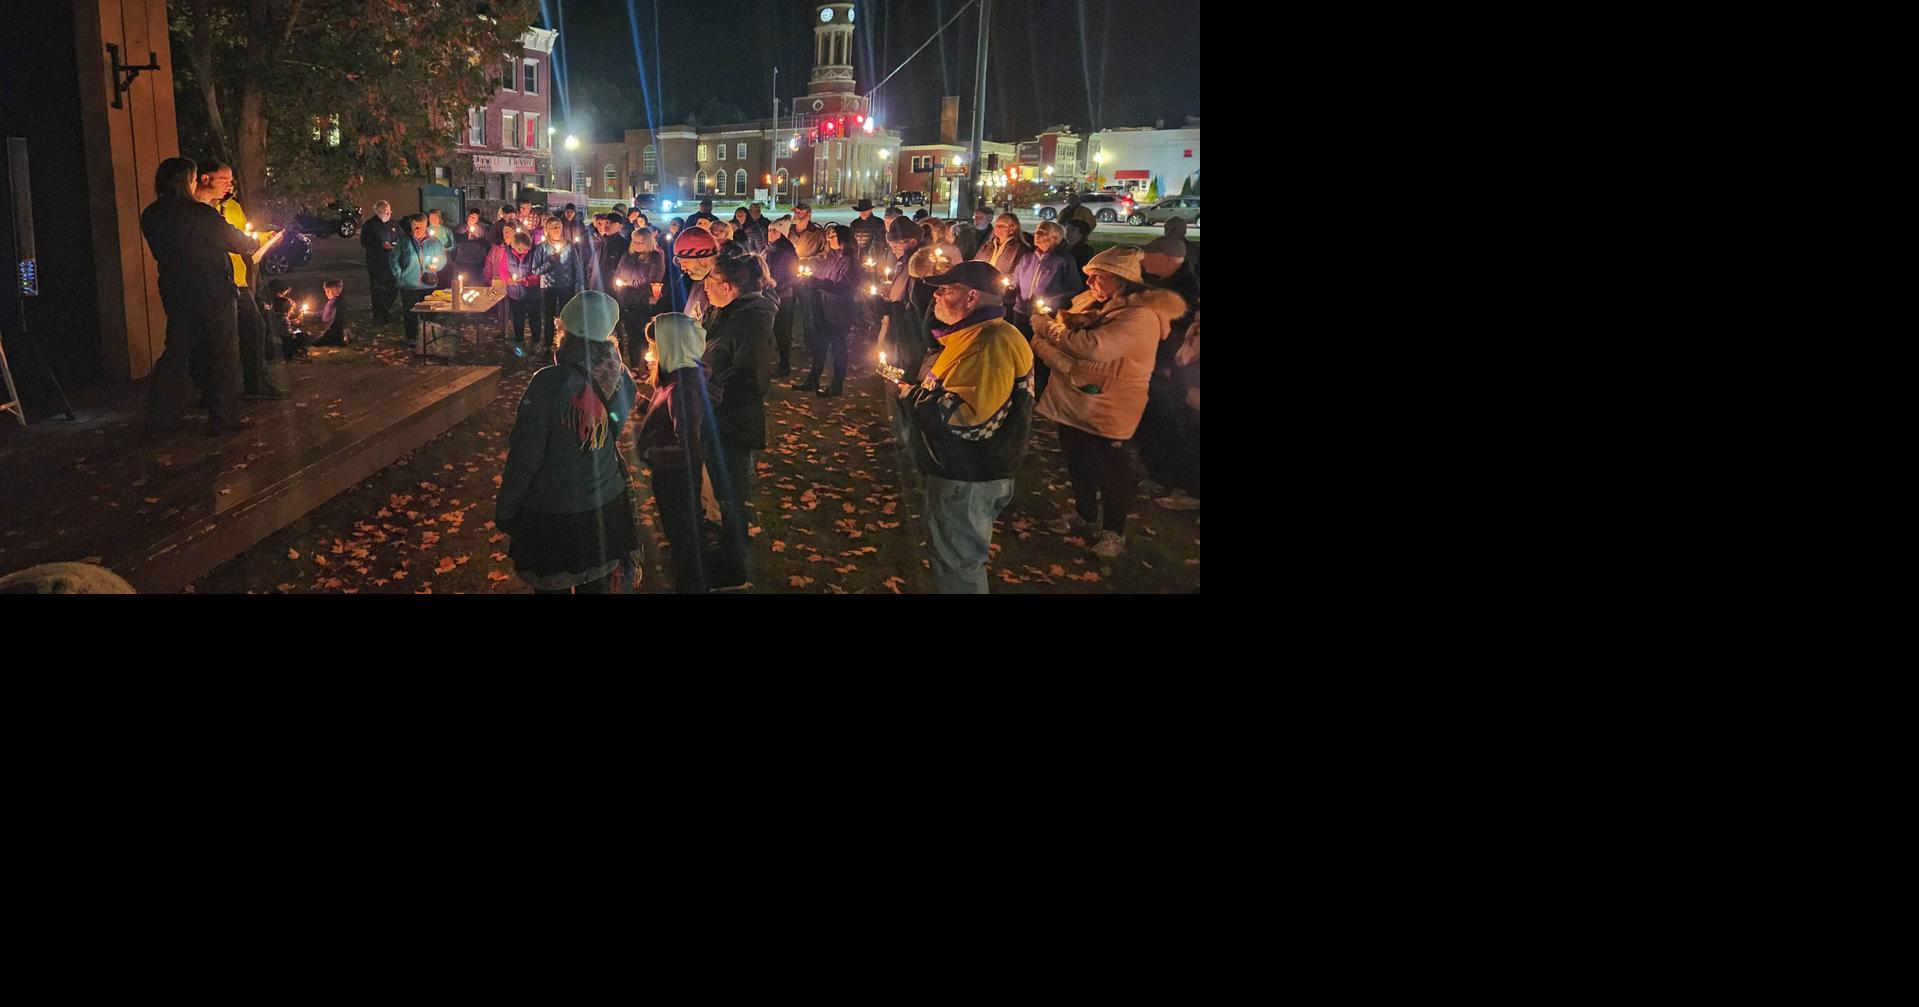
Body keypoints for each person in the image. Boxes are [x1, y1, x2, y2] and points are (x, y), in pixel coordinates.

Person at [1029, 246, 1188, 558]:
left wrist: (1045, 330)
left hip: (1110, 407)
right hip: (1077, 402)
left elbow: (1094, 347)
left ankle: (1113, 530)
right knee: (1077, 462)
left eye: (1097, 277)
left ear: (1121, 281)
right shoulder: (1100, 307)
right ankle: (1085, 515)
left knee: (1112, 469)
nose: (1089, 284)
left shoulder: (1138, 316)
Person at [889, 260, 1035, 593]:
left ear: (971, 298)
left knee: (959, 562)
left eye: (946, 289)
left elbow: (970, 421)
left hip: (970, 475)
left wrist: (913, 396)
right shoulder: (971, 336)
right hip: (963, 470)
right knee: (954, 557)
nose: (936, 296)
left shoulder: (990, 343)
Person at [496, 290, 642, 594]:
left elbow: (525, 456)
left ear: (566, 331)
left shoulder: (549, 384)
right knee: (598, 585)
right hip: (605, 507)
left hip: (554, 515)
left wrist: (507, 509)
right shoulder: (620, 377)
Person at [139, 156, 275, 438]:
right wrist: (255, 242)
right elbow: (239, 242)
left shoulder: (152, 215)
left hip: (176, 291)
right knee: (223, 353)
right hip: (213, 291)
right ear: (187, 180)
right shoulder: (201, 214)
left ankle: (160, 418)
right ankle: (224, 417)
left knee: (175, 352)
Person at [698, 251, 777, 589]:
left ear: (728, 287)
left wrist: (711, 389)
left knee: (732, 495)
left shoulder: (749, 321)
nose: (704, 287)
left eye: (710, 282)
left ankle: (733, 570)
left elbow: (752, 379)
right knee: (723, 490)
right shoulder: (728, 313)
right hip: (719, 418)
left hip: (733, 422)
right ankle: (726, 554)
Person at [633, 312, 714, 593]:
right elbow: (665, 419)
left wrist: (654, 452)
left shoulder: (683, 387)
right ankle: (688, 566)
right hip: (670, 473)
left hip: (676, 475)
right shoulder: (673, 378)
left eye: (654, 345)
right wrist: (639, 402)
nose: (650, 351)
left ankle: (692, 579)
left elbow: (688, 444)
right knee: (679, 527)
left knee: (684, 529)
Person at [198, 160, 287, 401]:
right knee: (215, 339)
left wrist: (262, 238)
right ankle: (212, 394)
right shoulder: (201, 210)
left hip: (238, 279)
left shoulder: (233, 207)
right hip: (213, 282)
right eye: (224, 180)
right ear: (204, 178)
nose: (229, 185)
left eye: (231, 181)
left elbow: (241, 235)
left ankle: (255, 383)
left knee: (255, 327)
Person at [1133, 234, 1202, 511]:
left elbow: (1179, 333)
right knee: (1156, 423)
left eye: (1149, 255)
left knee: (1176, 427)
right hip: (1160, 363)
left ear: (1166, 259)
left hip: (1173, 368)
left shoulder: (1183, 289)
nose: (1143, 259)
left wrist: (1169, 365)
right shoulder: (1159, 282)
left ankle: (1184, 484)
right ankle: (1159, 473)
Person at [1010, 220, 1085, 398]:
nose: (1037, 234)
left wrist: (1051, 302)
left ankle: (1037, 388)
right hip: (1021, 311)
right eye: (1037, 231)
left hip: (1045, 315)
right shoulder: (1028, 257)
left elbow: (1074, 288)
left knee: (1040, 352)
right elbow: (1016, 278)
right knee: (1019, 348)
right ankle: (1016, 384)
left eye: (1042, 232)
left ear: (1055, 237)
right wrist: (1010, 286)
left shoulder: (1063, 260)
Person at [796, 224, 855, 397]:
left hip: (839, 312)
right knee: (819, 347)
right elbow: (819, 274)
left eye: (834, 236)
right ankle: (812, 381)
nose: (830, 240)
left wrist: (817, 283)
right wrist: (809, 278)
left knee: (838, 349)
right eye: (829, 237)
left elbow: (843, 287)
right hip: (823, 308)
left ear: (844, 238)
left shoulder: (849, 261)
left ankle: (836, 386)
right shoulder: (830, 257)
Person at [527, 218, 586, 352]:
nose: (556, 229)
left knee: (567, 316)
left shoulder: (569, 246)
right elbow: (535, 270)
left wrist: (578, 285)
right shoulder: (542, 247)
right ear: (547, 230)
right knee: (549, 316)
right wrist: (550, 261)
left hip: (566, 285)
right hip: (549, 287)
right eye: (552, 227)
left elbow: (576, 266)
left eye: (558, 226)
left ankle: (567, 343)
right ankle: (548, 344)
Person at [390, 213, 446, 348]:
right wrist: (400, 275)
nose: (417, 230)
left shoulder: (434, 241)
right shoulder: (404, 241)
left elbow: (442, 258)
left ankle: (429, 338)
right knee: (409, 312)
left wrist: (436, 266)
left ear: (425, 225)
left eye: (420, 227)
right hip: (409, 284)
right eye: (414, 227)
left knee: (430, 313)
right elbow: (393, 259)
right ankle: (411, 338)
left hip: (428, 284)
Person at [610, 226, 666, 359]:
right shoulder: (628, 255)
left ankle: (644, 365)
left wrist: (628, 283)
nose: (636, 244)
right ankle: (634, 364)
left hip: (642, 302)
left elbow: (653, 279)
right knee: (629, 334)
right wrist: (616, 282)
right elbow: (618, 271)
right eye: (634, 241)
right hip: (625, 300)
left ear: (648, 242)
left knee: (642, 335)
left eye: (640, 242)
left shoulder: (655, 257)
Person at [487, 232, 539, 345]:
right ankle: (519, 339)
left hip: (531, 292)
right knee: (517, 317)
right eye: (517, 248)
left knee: (534, 317)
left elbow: (538, 272)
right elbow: (502, 269)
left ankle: (536, 341)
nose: (520, 250)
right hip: (515, 293)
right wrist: (508, 279)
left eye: (523, 248)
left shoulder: (534, 253)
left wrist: (527, 280)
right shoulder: (508, 252)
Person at [763, 218, 798, 375]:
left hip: (783, 296)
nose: (770, 233)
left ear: (782, 234)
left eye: (774, 231)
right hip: (767, 294)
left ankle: (785, 364)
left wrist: (777, 287)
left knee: (782, 330)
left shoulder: (788, 252)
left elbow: (793, 276)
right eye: (769, 230)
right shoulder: (768, 249)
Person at [668, 224, 719, 325]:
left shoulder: (721, 289)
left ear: (704, 260)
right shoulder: (698, 280)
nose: (682, 268)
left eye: (685, 262)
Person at [361, 200, 398, 326]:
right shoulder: (370, 225)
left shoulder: (394, 224)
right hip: (376, 262)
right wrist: (380, 245)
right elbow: (364, 242)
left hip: (392, 261)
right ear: (378, 212)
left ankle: (386, 310)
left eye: (389, 211)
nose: (388, 214)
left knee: (393, 287)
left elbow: (401, 237)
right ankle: (378, 314)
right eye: (385, 212)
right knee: (377, 289)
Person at [975, 212, 1033, 292]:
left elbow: (1018, 274)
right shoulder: (987, 246)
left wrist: (996, 280)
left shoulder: (1019, 249)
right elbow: (976, 263)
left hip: (1003, 291)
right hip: (983, 288)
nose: (998, 228)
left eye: (1003, 226)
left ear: (1012, 229)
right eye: (997, 225)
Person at [449, 209, 492, 289]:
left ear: (478, 220)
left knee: (475, 283)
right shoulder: (460, 228)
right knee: (463, 282)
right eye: (471, 217)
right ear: (467, 217)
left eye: (475, 218)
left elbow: (487, 243)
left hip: (477, 261)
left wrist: (478, 239)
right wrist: (464, 237)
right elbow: (456, 241)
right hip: (463, 260)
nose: (472, 219)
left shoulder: (482, 230)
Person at [311, 278, 348, 346]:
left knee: (313, 342)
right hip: (327, 327)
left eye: (328, 291)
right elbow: (325, 312)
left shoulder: (338, 303)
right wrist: (311, 314)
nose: (326, 293)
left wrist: (324, 335)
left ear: (337, 289)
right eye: (325, 291)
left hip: (332, 331)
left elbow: (335, 322)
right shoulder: (332, 301)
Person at [1165, 216, 1200, 282]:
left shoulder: (1194, 250)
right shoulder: (1159, 248)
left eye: (1174, 229)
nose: (1168, 232)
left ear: (1184, 231)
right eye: (1166, 229)